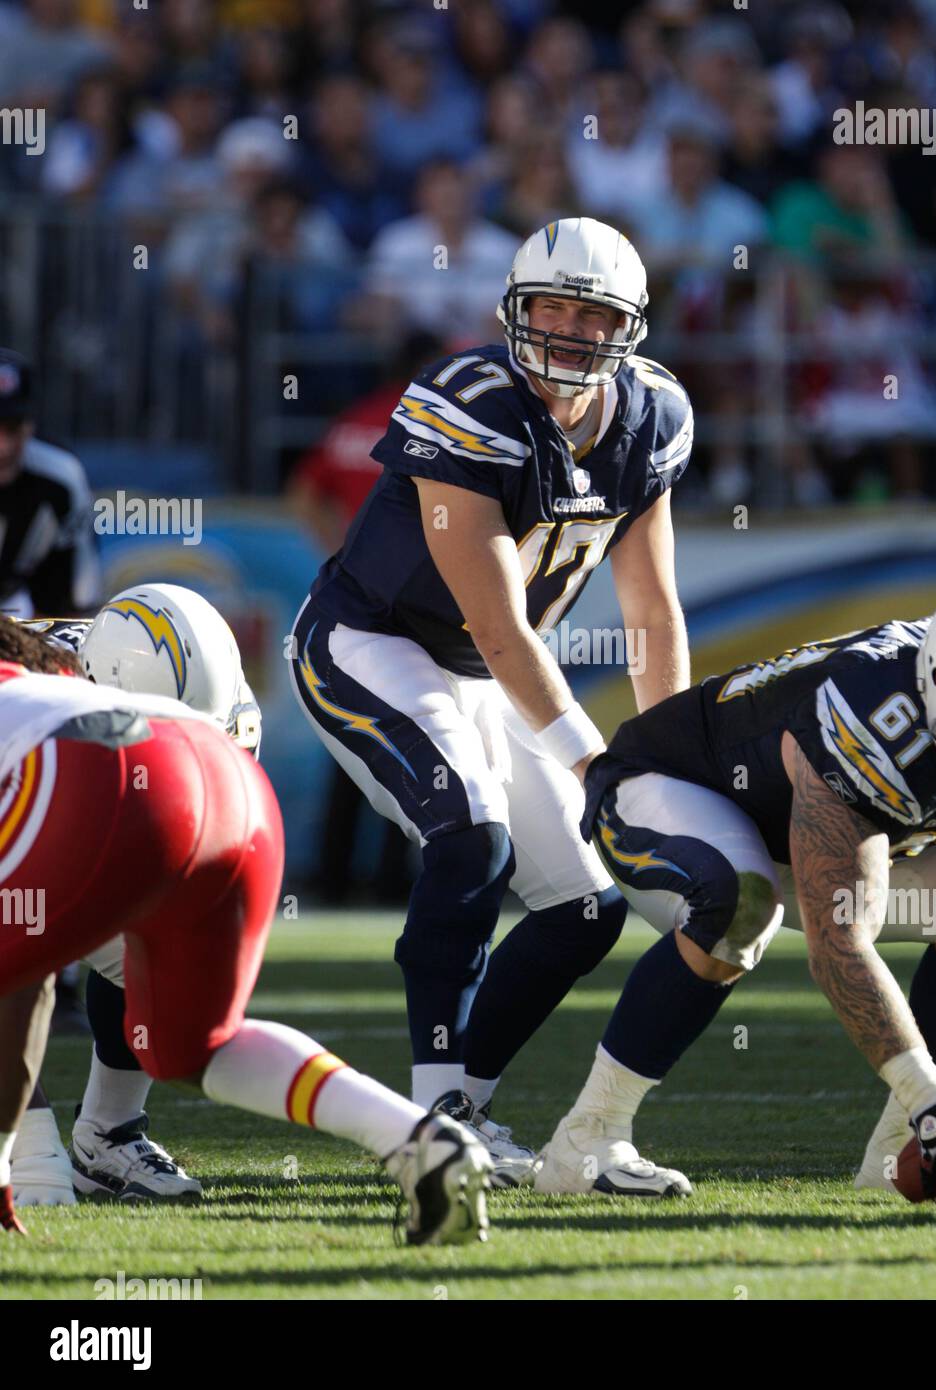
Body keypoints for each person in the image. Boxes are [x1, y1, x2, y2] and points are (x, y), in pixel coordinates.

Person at [290, 217, 693, 1183]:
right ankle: (430, 1126)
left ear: (628, 327)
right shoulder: (467, 399)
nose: (566, 329)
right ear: (513, 307)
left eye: (591, 313)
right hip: (373, 642)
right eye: (549, 305)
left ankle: (465, 1105)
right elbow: (500, 622)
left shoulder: (653, 416)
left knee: (585, 908)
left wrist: (670, 758)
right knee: (471, 837)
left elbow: (651, 608)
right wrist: (598, 765)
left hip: (481, 668)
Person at [533, 578, 936, 1198]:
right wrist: (923, 1085)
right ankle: (587, 1135)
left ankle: (898, 1155)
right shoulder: (869, 724)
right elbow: (839, 944)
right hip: (662, 787)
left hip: (789, 823)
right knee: (741, 906)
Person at [0, 618, 491, 1243]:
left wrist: (20, 1163)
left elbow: (24, 975)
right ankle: (415, 1137)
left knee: (18, 960)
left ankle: (38, 1166)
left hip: (106, 782)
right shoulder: (75, 646)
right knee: (196, 1045)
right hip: (226, 778)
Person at [10, 585, 262, 1206]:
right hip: (22, 809)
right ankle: (28, 1140)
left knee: (172, 928)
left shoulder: (221, 704)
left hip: (76, 810)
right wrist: (28, 1140)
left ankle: (109, 1135)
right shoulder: (31, 710)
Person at [0, 349, 101, 619]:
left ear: (31, 424)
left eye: (12, 427)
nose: (3, 447)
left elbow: (78, 602)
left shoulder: (61, 480)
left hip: (19, 613)